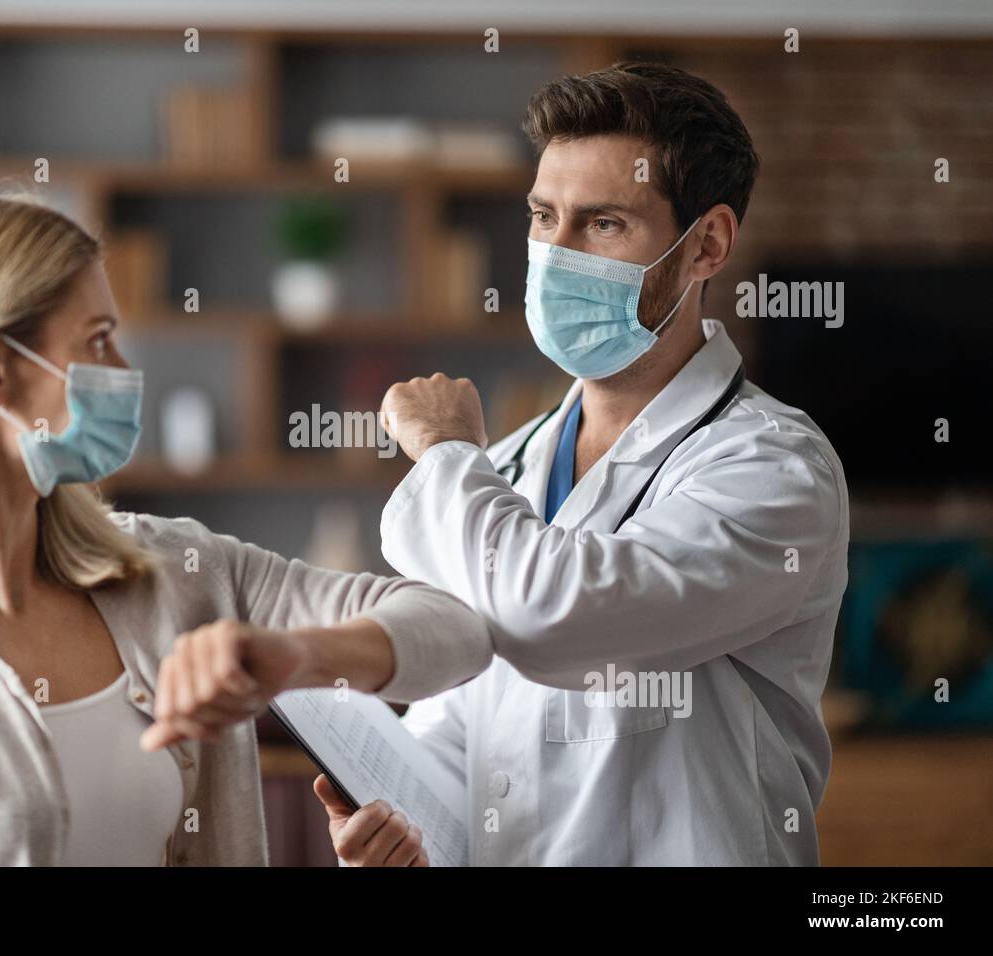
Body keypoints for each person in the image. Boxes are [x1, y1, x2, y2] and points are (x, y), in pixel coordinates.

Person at [0, 192, 492, 866]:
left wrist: (296, 656)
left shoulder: (178, 570)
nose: (125, 366)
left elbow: (454, 631)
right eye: (96, 341)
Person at [314, 62, 850, 865]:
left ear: (707, 244)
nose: (554, 256)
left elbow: (553, 615)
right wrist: (403, 828)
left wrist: (445, 450)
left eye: (602, 224)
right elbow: (464, 725)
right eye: (542, 217)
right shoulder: (507, 465)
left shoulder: (772, 468)